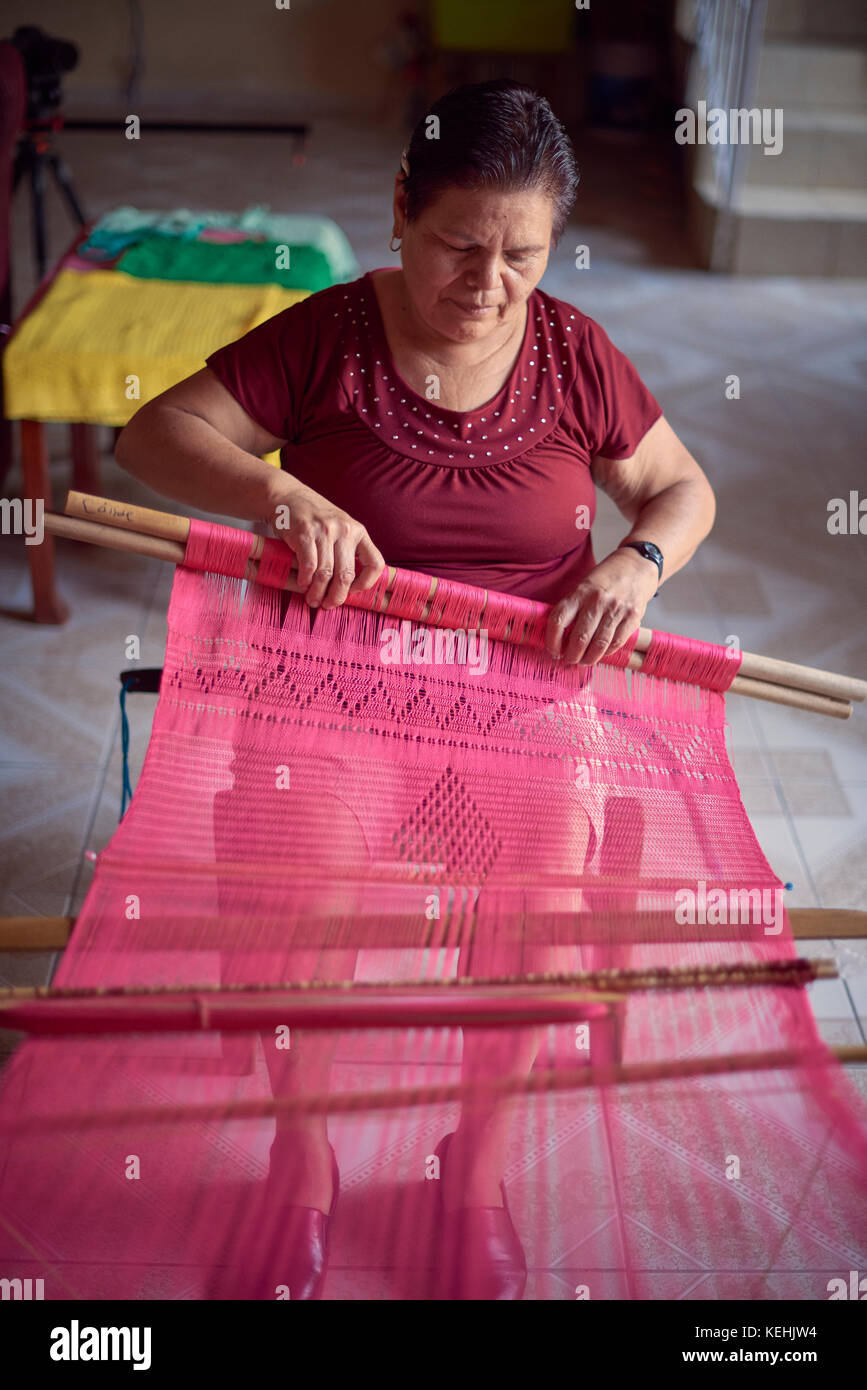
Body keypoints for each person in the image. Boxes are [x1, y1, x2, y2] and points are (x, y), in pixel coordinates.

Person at [116, 79, 716, 1299]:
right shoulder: (327, 337)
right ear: (400, 210)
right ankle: (302, 1168)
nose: (490, 285)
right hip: (333, 696)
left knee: (544, 892)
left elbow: (681, 489)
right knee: (302, 883)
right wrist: (279, 495)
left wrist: (635, 565)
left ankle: (474, 1168)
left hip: (519, 702)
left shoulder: (573, 353)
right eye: (461, 245)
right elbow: (154, 435)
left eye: (523, 255)